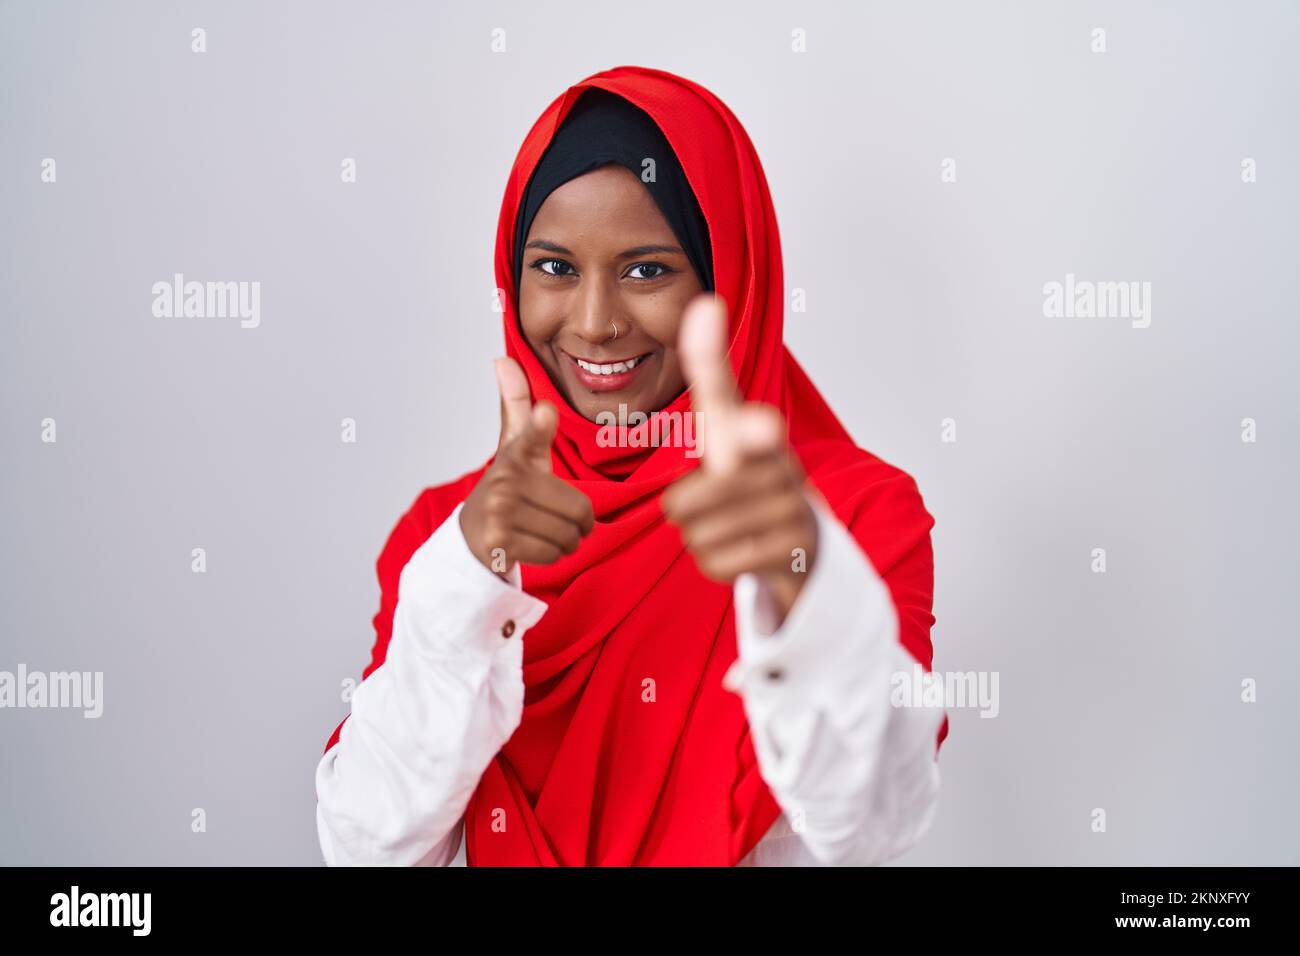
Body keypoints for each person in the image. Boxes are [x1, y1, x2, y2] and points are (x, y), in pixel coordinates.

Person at [314, 66, 949, 866]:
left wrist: (806, 585)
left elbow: (871, 828)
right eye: (554, 267)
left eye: (647, 269)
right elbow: (367, 848)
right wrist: (468, 580)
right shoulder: (454, 537)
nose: (594, 322)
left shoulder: (850, 515)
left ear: (730, 281)